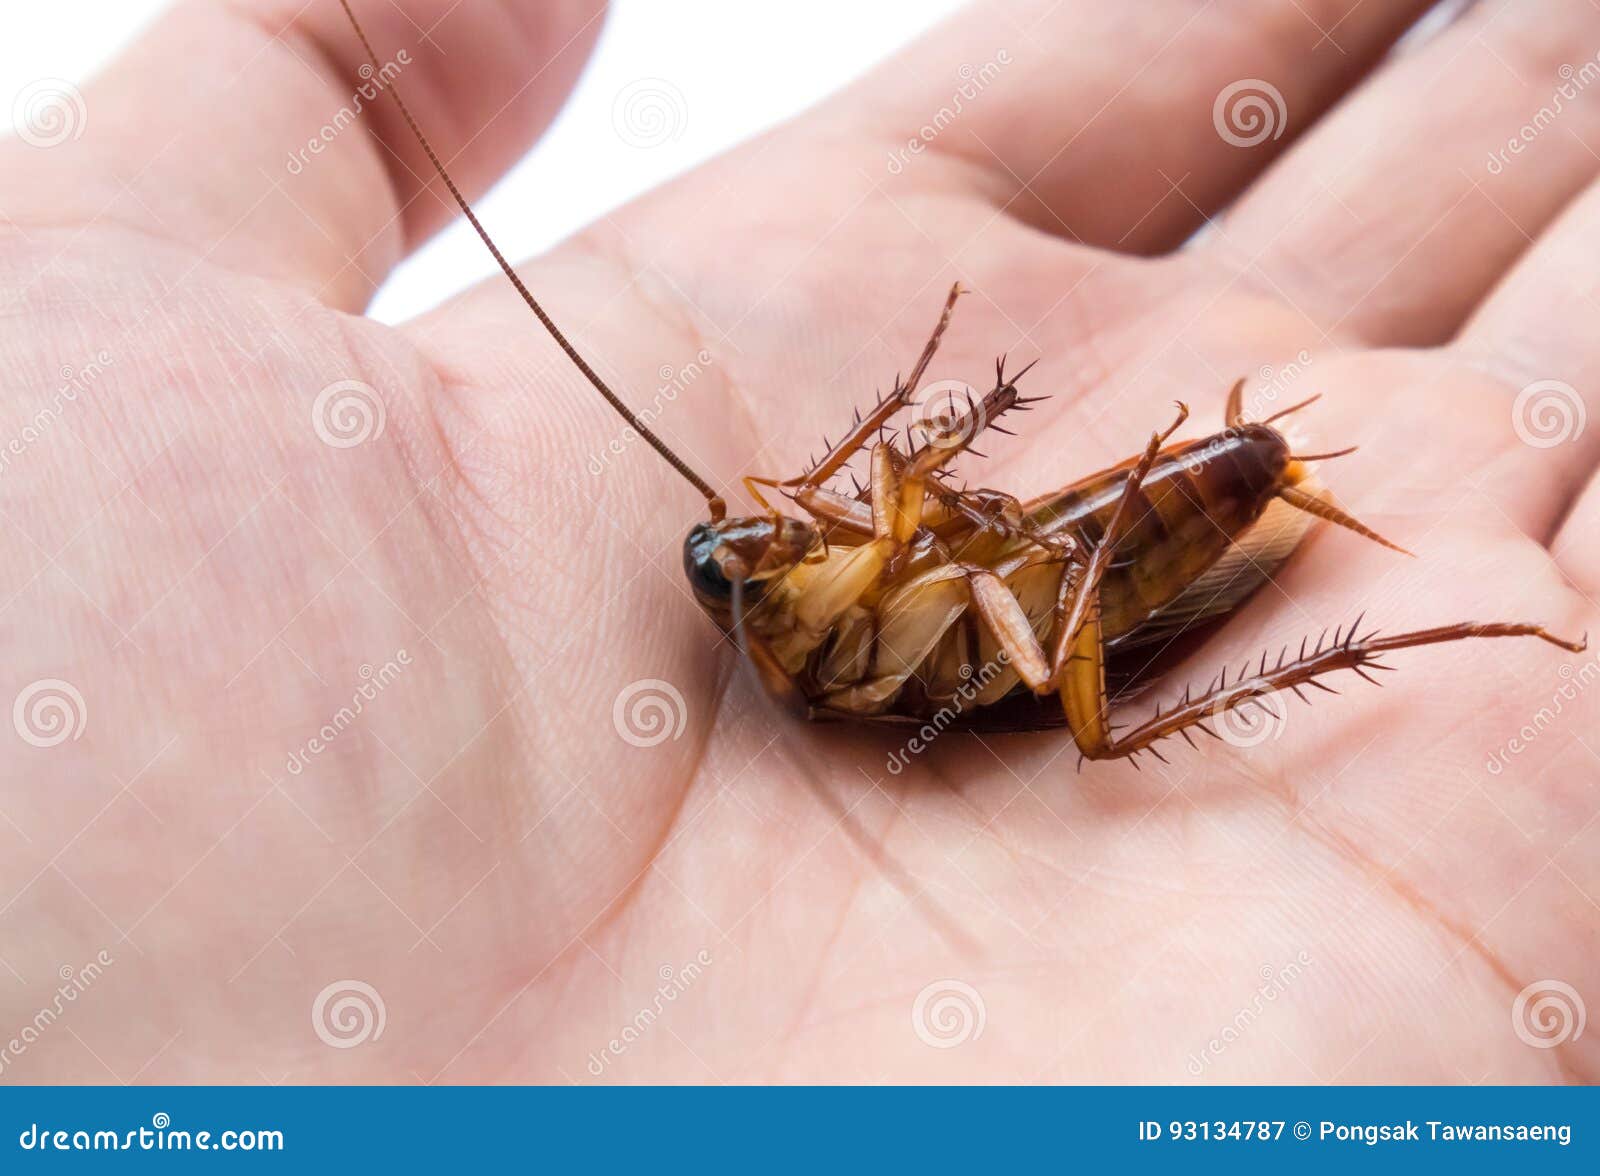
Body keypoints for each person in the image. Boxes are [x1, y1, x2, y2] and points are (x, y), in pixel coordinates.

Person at [0, 0, 1594, 1083]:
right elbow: (923, 587)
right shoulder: (813, 659)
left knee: (981, 518)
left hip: (1067, 547)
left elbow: (918, 496)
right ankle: (1407, 638)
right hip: (1065, 642)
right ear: (750, 615)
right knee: (1075, 694)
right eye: (745, 555)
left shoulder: (829, 573)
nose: (770, 529)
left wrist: (937, 438)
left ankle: (1300, 550)